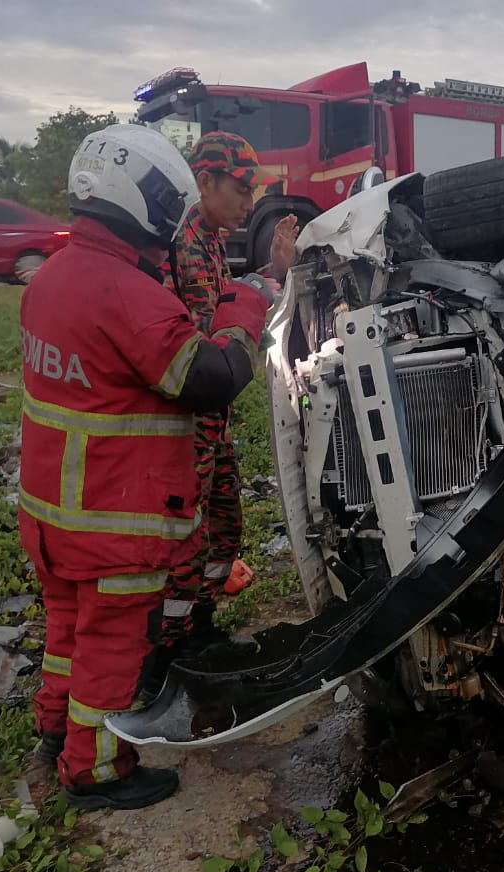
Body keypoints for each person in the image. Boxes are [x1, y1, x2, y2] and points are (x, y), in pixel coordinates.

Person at [21, 124, 272, 810]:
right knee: (110, 647)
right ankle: (95, 768)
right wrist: (248, 305)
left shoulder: (54, 277)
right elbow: (213, 376)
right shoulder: (125, 294)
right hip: (111, 515)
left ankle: (53, 729)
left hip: (51, 510)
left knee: (67, 632)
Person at [143, 133, 298, 701]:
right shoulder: (185, 245)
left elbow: (229, 298)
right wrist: (263, 281)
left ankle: (201, 623)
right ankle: (174, 645)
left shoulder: (208, 239)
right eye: (239, 189)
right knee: (189, 534)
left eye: (252, 190)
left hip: (215, 417)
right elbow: (210, 329)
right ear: (203, 182)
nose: (248, 203)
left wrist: (268, 270)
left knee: (225, 522)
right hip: (191, 419)